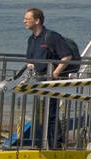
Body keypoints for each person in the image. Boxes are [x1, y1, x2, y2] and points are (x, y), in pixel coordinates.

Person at [23, 8, 75, 149]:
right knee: (42, 113)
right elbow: (31, 60)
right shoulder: (31, 39)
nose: (24, 21)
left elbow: (67, 55)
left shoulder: (51, 37)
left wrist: (56, 73)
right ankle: (43, 142)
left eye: (27, 19)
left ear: (37, 20)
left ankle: (55, 144)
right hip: (39, 81)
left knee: (51, 113)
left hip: (51, 82)